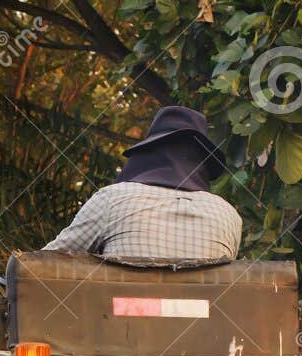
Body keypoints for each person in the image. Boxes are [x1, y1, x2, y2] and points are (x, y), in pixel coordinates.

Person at [44, 105, 242, 267]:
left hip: (118, 314)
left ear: (148, 154)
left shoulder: (112, 199)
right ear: (202, 163)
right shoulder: (227, 213)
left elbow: (44, 264)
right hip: (207, 314)